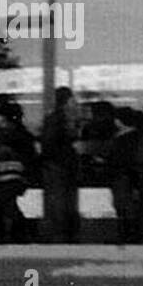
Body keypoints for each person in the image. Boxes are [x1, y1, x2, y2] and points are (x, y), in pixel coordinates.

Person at [0, 104, 37, 243]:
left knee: (2, 206)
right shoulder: (24, 135)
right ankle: (21, 232)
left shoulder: (0, 135)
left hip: (3, 177)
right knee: (8, 204)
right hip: (18, 177)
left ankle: (15, 233)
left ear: (4, 118)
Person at [40, 86, 81, 243]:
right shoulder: (58, 120)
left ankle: (63, 234)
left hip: (61, 167)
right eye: (72, 100)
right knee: (63, 203)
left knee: (63, 203)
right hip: (60, 167)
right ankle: (63, 235)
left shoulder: (58, 119)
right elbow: (50, 145)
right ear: (65, 102)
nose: (75, 103)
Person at [105, 105, 143, 244]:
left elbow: (116, 162)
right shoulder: (139, 137)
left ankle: (126, 237)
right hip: (132, 181)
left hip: (122, 180)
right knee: (131, 210)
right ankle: (131, 237)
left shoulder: (121, 140)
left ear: (118, 121)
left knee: (124, 210)